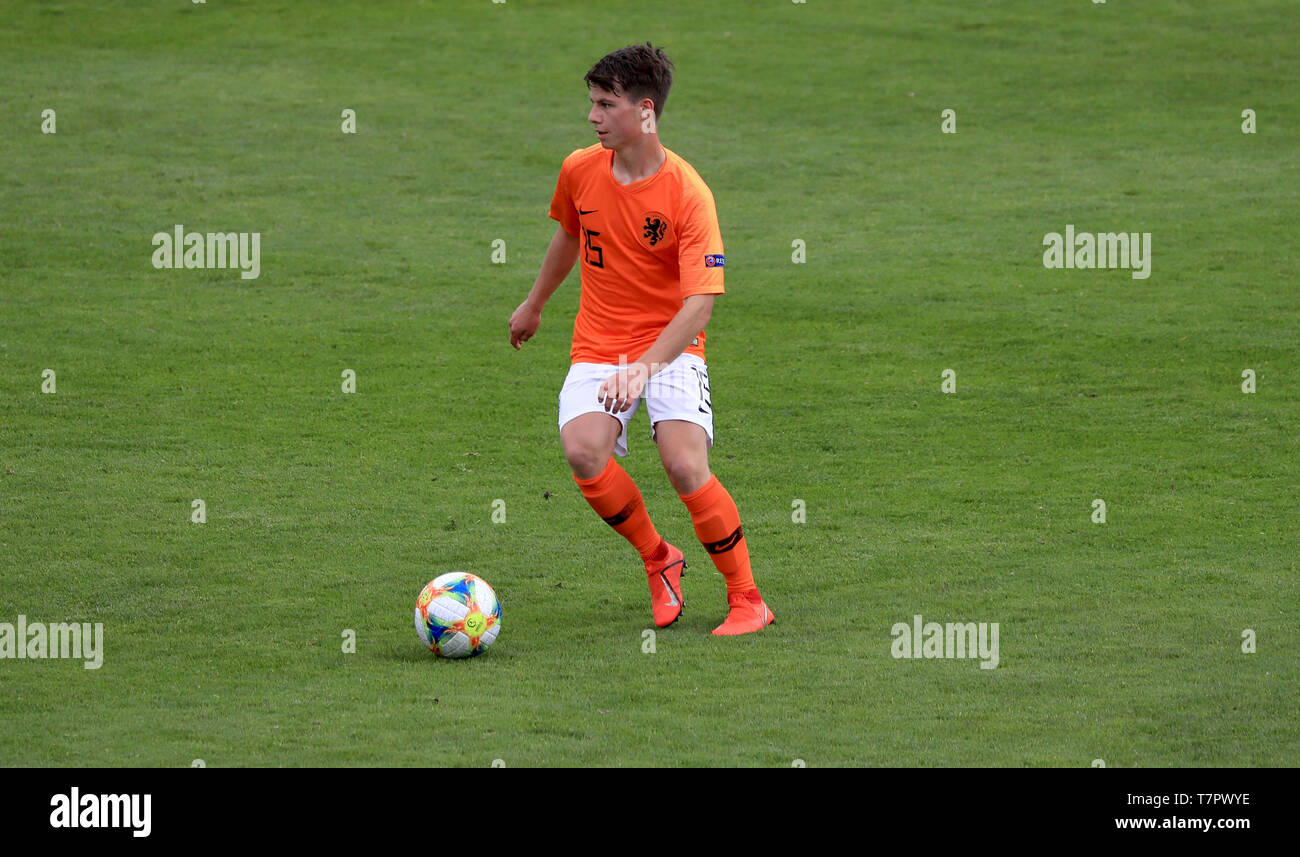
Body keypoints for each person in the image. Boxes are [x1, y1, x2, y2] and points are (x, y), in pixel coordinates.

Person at [508, 43, 774, 636]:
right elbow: (570, 234)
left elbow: (699, 305)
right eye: (592, 103)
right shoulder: (580, 169)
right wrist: (535, 303)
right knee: (584, 453)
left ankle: (747, 599)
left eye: (606, 104)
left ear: (645, 111)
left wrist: (645, 368)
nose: (592, 116)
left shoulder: (688, 193)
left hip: (670, 345)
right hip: (600, 342)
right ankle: (659, 557)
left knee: (684, 464)